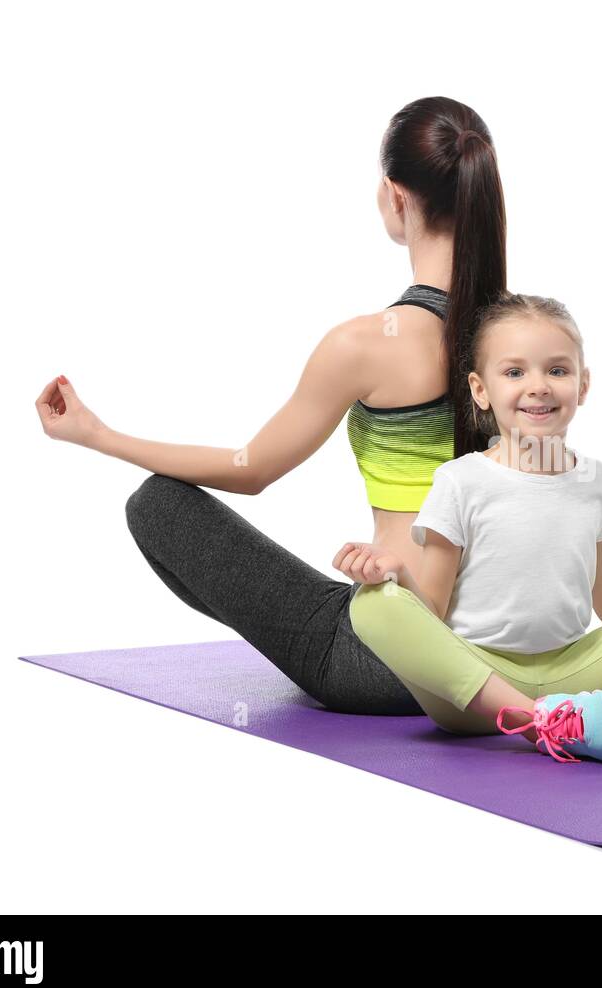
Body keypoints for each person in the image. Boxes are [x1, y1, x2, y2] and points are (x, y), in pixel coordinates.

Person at [34, 96, 507, 714]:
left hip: (389, 658)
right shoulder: (520, 336)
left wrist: (97, 434)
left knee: (158, 505)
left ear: (395, 195)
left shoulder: (365, 344)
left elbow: (250, 468)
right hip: (489, 653)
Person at [338, 293, 602, 764]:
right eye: (514, 372)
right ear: (481, 390)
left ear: (583, 386)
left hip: (575, 674)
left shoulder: (598, 482)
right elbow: (434, 614)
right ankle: (543, 725)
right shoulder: (460, 481)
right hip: (477, 689)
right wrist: (397, 577)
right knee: (372, 605)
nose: (538, 386)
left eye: (557, 371)